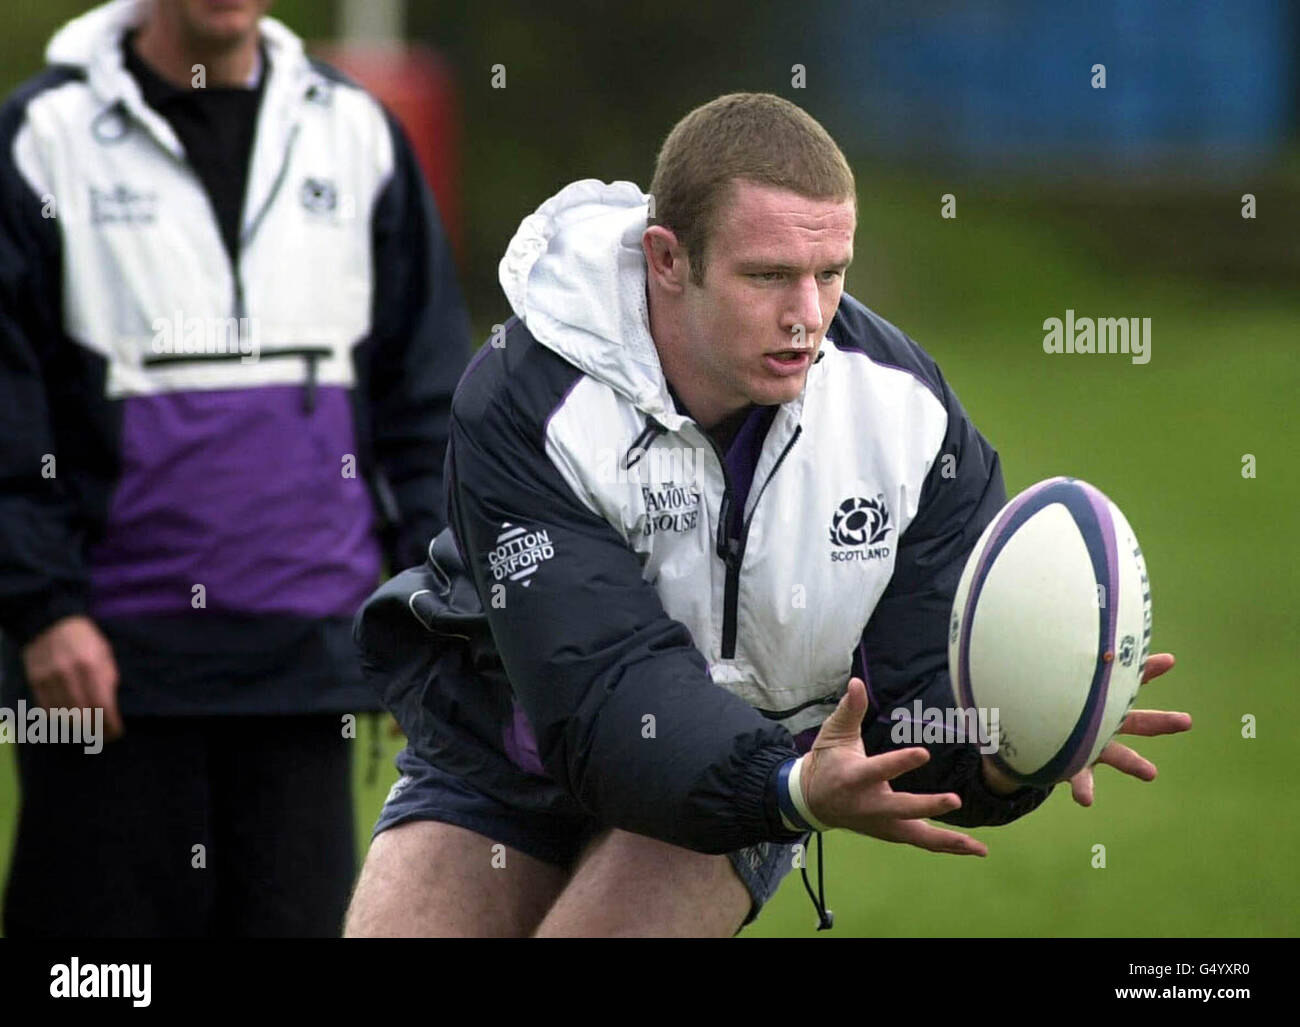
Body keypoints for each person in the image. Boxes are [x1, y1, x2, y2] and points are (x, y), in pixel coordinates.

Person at [344, 92, 1189, 938]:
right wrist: (785, 787)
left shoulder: (904, 413)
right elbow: (602, 688)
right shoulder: (525, 397)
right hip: (505, 753)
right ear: (668, 259)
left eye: (831, 273)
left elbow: (914, 694)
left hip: (753, 767)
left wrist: (1017, 744)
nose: (809, 316)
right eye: (768, 275)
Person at [0, 0, 469, 936]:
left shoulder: (356, 129)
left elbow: (422, 401)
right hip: (106, 668)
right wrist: (43, 605)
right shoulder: (39, 136)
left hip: (309, 659)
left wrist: (430, 614)